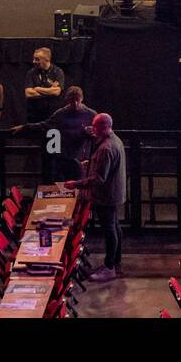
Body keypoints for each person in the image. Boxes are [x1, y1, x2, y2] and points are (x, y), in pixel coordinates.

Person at [65, 112, 126, 281]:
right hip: (115, 193)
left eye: (95, 126)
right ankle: (115, 261)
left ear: (103, 127)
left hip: (106, 196)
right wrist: (91, 163)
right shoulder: (116, 141)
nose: (92, 129)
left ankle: (109, 267)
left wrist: (75, 184)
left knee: (109, 230)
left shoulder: (106, 148)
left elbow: (99, 179)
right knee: (115, 226)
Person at [12, 86, 96, 182]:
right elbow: (44, 125)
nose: (75, 104)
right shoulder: (61, 114)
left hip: (84, 157)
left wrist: (93, 133)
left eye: (77, 100)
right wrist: (25, 127)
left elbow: (101, 130)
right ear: (67, 100)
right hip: (66, 157)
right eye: (72, 101)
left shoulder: (91, 114)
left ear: (82, 98)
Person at [24, 47, 66, 123]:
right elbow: (28, 93)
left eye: (37, 59)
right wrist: (49, 92)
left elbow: (56, 92)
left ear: (47, 59)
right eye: (34, 59)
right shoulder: (31, 73)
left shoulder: (57, 72)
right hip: (34, 115)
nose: (34, 61)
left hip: (52, 114)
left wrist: (37, 89)